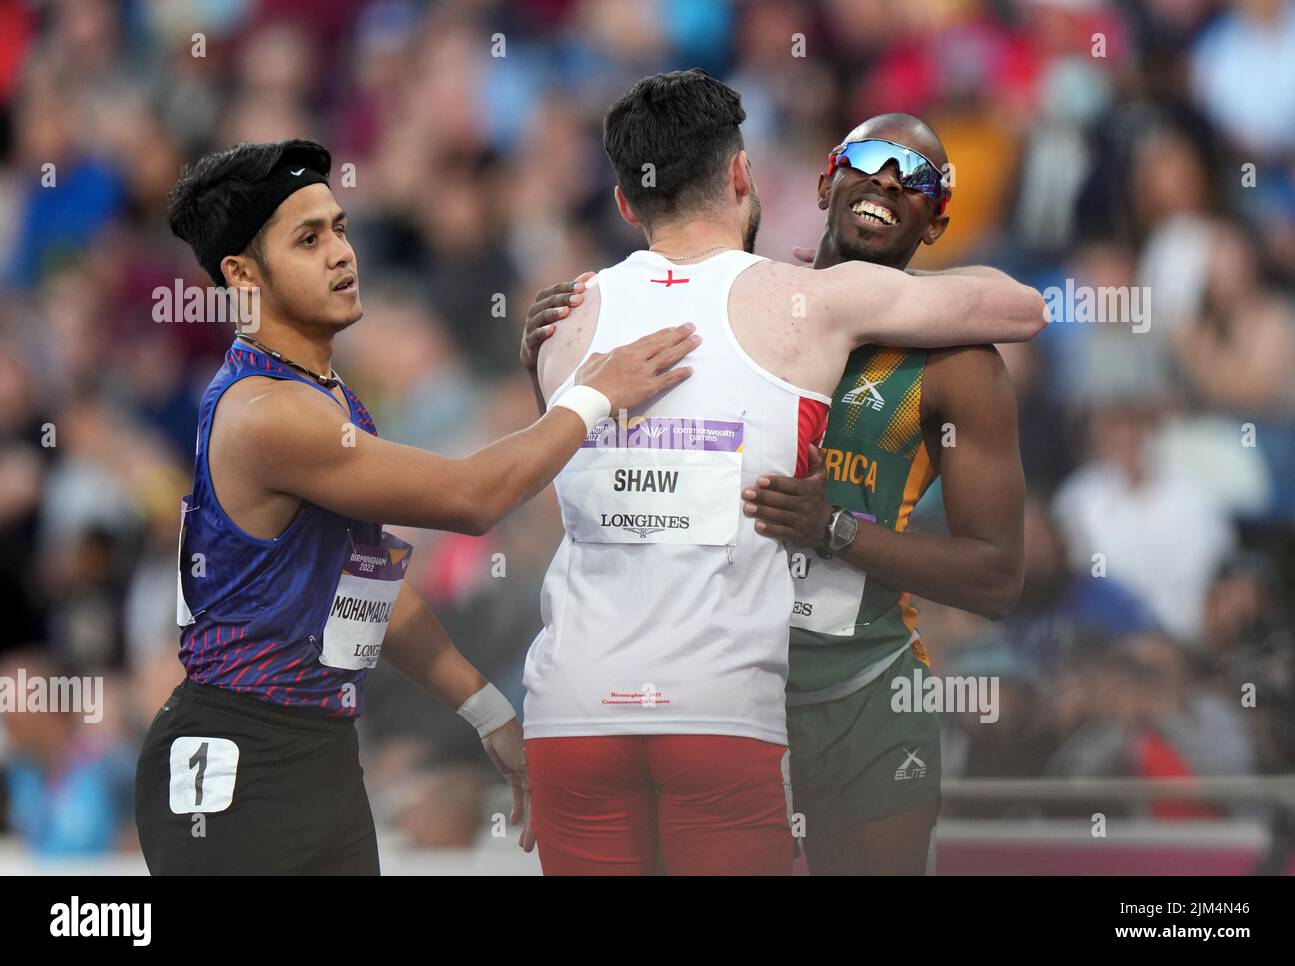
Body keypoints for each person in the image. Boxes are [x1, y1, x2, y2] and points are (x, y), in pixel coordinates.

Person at [519, 74, 1044, 875]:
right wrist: (546, 361)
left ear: (939, 220)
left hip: (857, 701)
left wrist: (836, 531)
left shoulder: (956, 366)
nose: (890, 179)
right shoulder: (743, 305)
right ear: (825, 179)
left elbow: (997, 578)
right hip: (708, 698)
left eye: (919, 177)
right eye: (872, 156)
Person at [133, 137, 701, 874]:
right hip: (236, 764)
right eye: (309, 238)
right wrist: (593, 394)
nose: (342, 252)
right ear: (243, 275)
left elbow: (364, 591)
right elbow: (471, 498)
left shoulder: (325, 400)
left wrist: (487, 714)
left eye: (339, 228)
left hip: (320, 755)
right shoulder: (266, 413)